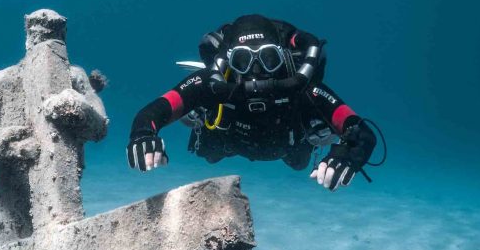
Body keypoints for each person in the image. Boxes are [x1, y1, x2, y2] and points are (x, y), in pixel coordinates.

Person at [126, 14, 379, 191]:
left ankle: (314, 137)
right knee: (209, 153)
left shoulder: (303, 88)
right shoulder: (211, 81)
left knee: (299, 162)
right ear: (227, 62)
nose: (256, 72)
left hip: (286, 146)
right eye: (242, 60)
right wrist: (143, 134)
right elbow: (153, 111)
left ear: (284, 58)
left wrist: (350, 154)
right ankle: (199, 114)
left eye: (269, 58)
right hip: (227, 141)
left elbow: (361, 131)